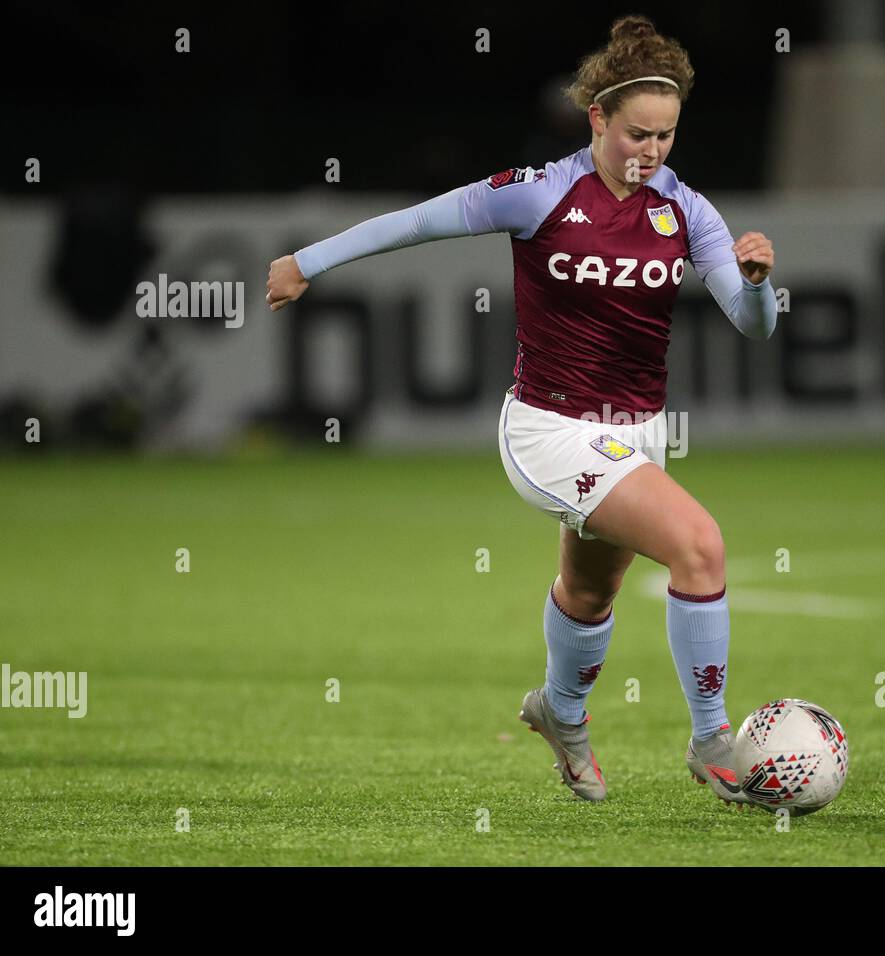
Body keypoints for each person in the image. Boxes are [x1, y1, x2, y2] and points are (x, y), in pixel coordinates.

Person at [265, 15, 777, 806]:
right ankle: (712, 740)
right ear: (597, 116)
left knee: (590, 595)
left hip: (636, 431)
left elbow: (753, 325)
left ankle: (559, 713)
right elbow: (416, 222)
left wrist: (754, 282)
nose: (651, 152)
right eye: (637, 133)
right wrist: (309, 261)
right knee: (700, 547)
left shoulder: (689, 214)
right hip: (549, 429)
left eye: (666, 137)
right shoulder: (541, 192)